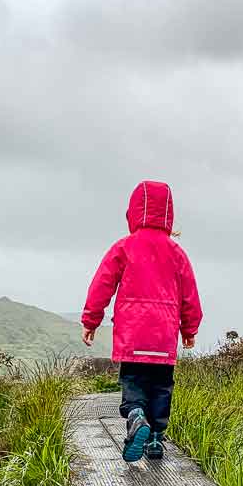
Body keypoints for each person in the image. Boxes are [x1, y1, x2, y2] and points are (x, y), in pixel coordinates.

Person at [82, 180, 202, 462]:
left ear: (133, 213)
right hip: (163, 336)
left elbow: (102, 284)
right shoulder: (176, 253)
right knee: (161, 387)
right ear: (168, 215)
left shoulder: (124, 247)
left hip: (133, 334)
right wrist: (190, 328)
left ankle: (136, 416)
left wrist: (91, 320)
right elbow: (190, 294)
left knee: (133, 383)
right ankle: (156, 440)